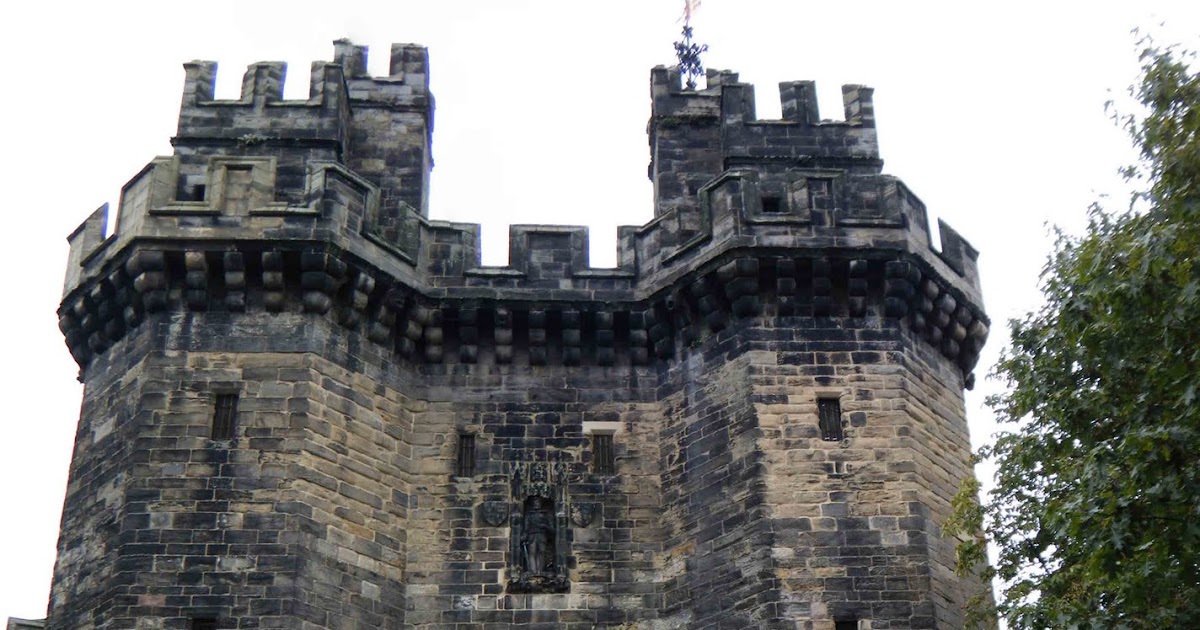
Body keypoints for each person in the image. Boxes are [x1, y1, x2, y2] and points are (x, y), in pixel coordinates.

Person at [522, 496, 554, 574]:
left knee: (542, 551)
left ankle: (540, 570)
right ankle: (533, 570)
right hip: (531, 535)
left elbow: (552, 529)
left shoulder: (546, 514)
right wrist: (524, 536)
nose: (536, 504)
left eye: (538, 502)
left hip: (542, 535)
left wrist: (545, 526)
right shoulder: (529, 515)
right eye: (535, 502)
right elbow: (526, 527)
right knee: (532, 552)